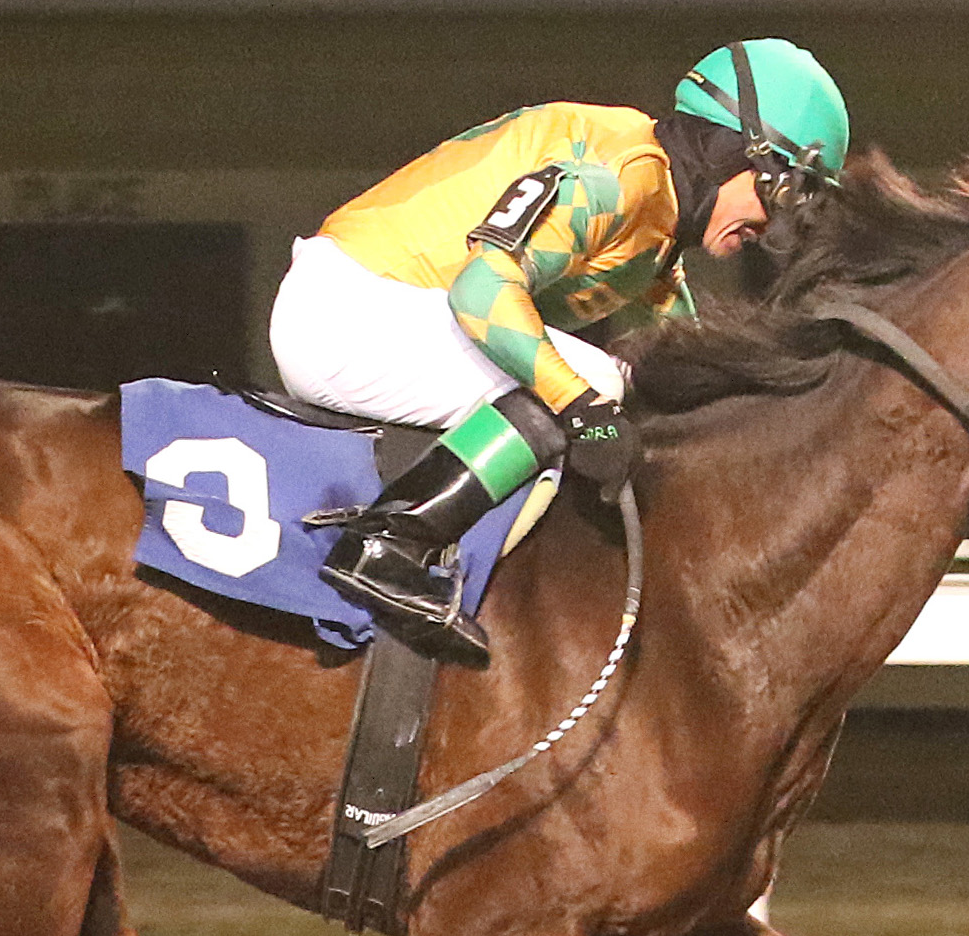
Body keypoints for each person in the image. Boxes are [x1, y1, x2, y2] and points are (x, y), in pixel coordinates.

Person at [270, 39, 850, 662]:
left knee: (616, 384)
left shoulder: (657, 223)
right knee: (590, 378)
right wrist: (578, 405)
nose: (770, 225)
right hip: (347, 311)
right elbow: (483, 291)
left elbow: (680, 374)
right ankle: (387, 545)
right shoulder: (621, 179)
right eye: (780, 192)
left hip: (381, 310)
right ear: (731, 151)